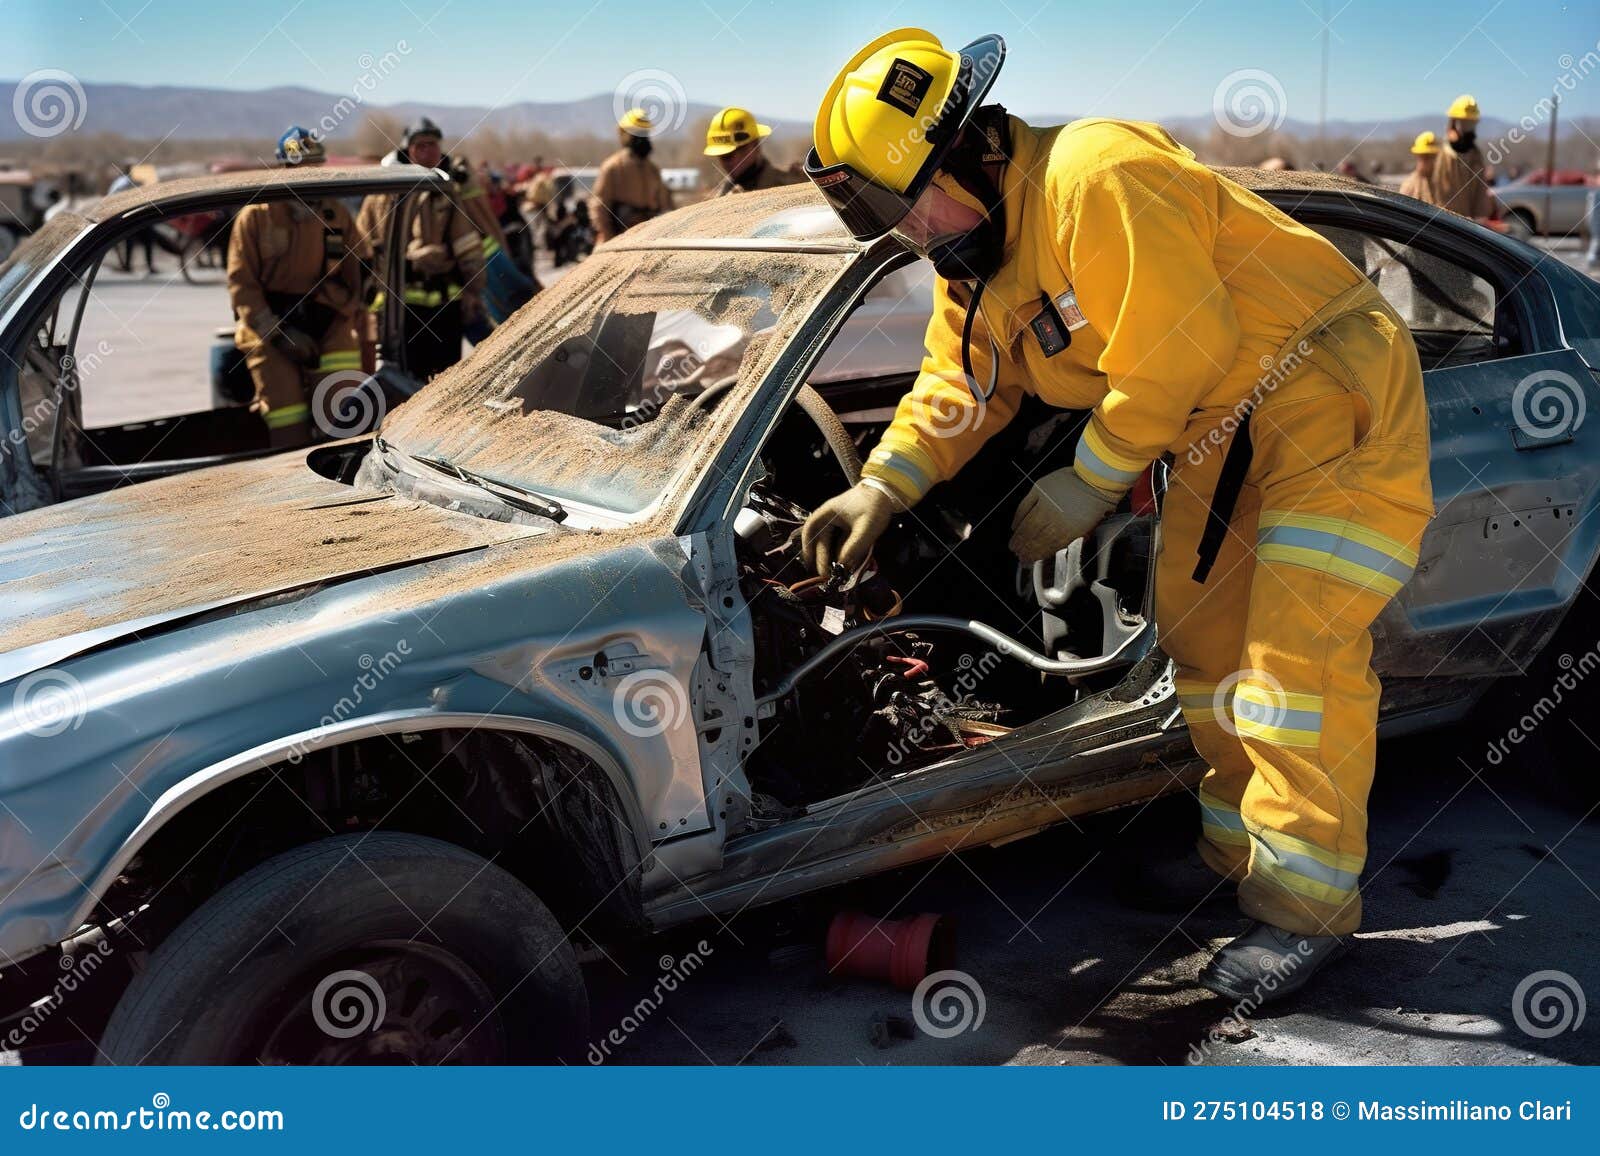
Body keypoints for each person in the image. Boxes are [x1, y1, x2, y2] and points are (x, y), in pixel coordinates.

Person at [799, 29, 1434, 1002]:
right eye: (890, 218)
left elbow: (1180, 347)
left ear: (968, 148)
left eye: (907, 204)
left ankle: (1303, 912)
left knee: (1291, 665)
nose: (912, 234)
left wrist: (1088, 481)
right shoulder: (977, 264)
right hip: (1221, 431)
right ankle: (1239, 854)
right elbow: (959, 386)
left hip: (1326, 391)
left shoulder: (1094, 177)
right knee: (1204, 640)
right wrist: (881, 483)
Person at [225, 127, 363, 446]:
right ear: (285, 168)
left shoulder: (336, 214)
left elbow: (359, 270)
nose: (309, 176)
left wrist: (347, 309)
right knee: (287, 422)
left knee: (346, 417)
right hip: (270, 329)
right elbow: (242, 286)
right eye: (301, 167)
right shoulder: (256, 217)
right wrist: (280, 335)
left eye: (316, 167)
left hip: (329, 320)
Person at [355, 117, 485, 380]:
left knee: (445, 383)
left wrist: (474, 292)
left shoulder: (447, 191)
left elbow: (467, 247)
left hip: (443, 307)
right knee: (404, 382)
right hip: (398, 310)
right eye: (421, 146)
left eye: (433, 145)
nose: (429, 152)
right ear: (408, 150)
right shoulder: (382, 194)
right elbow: (362, 248)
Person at [590, 108, 673, 242]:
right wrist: (609, 240)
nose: (642, 138)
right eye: (637, 134)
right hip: (619, 237)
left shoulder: (653, 169)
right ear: (624, 135)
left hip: (649, 236)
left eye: (644, 133)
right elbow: (599, 207)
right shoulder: (612, 167)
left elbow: (665, 205)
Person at [703, 106, 803, 196]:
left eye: (729, 155)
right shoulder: (723, 193)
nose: (727, 163)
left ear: (755, 145)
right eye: (722, 156)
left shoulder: (788, 186)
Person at [1428, 94, 1492, 219]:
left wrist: (1479, 222)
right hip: (1442, 226)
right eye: (1464, 123)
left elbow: (1480, 196)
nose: (1468, 128)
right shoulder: (1441, 155)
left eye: (1471, 123)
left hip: (1467, 229)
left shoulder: (1476, 156)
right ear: (1453, 123)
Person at [1399, 131, 1440, 201]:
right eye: (1425, 157)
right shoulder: (1410, 186)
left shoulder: (1446, 183)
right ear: (1418, 157)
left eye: (1433, 157)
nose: (1431, 161)